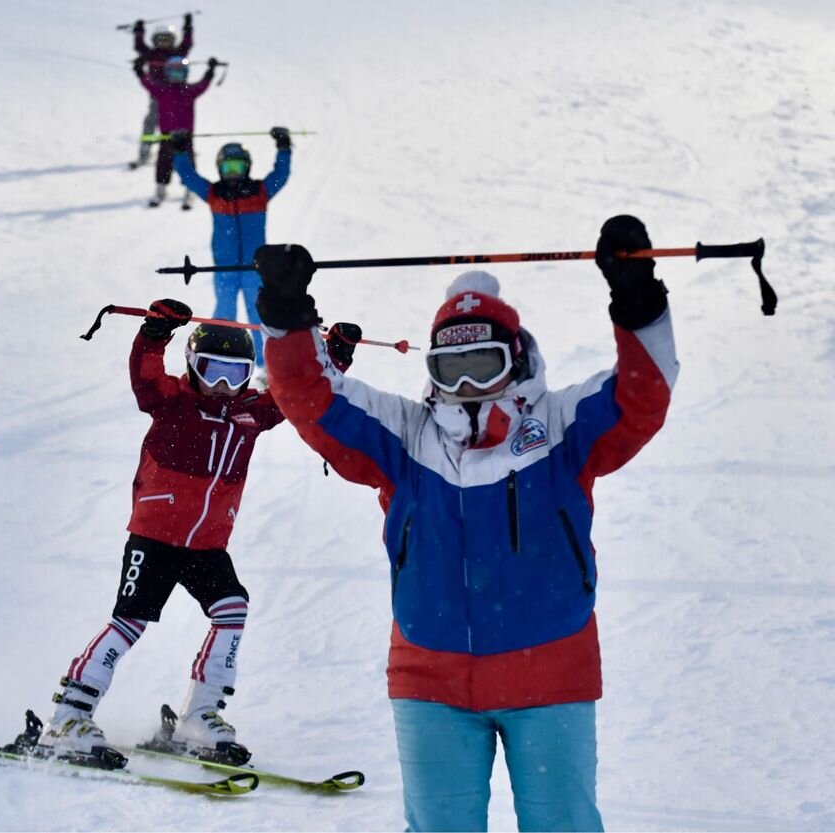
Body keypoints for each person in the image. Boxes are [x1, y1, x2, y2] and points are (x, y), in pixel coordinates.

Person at [251, 216, 678, 831]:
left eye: (485, 362)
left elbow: (643, 396)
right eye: (453, 368)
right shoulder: (406, 436)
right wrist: (288, 319)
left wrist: (637, 301)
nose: (470, 384)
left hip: (551, 671)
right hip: (431, 676)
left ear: (517, 357)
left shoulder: (559, 428)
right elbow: (313, 398)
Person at [22, 299, 359, 765]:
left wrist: (332, 355)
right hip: (156, 536)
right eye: (212, 370)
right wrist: (156, 334)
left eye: (235, 373)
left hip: (206, 545)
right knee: (130, 621)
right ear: (192, 366)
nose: (223, 384)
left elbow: (304, 393)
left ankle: (199, 717)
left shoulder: (251, 415)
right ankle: (68, 717)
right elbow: (145, 377)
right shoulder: (173, 403)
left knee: (232, 608)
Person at [172, 127, 292, 379]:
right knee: (225, 314)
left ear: (247, 167)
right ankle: (216, 358)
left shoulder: (260, 192)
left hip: (254, 269)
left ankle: (266, 368)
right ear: (220, 169)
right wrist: (180, 150)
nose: (234, 173)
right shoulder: (214, 193)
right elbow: (188, 176)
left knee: (258, 315)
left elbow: (281, 174)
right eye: (228, 168)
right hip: (224, 269)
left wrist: (283, 148)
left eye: (238, 167)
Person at [134, 54, 217, 208]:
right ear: (167, 73)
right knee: (163, 163)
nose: (176, 76)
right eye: (173, 73)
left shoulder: (190, 90)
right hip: (167, 135)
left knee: (188, 164)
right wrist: (139, 70)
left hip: (185, 137)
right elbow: (147, 83)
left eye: (180, 73)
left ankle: (189, 190)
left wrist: (210, 71)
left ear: (186, 74)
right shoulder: (161, 90)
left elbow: (203, 84)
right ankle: (161, 190)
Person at [129, 14, 194, 170]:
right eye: (160, 39)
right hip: (157, 96)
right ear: (155, 41)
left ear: (172, 40)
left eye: (167, 39)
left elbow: (187, 45)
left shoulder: (177, 54)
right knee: (151, 122)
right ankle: (144, 152)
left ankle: (180, 152)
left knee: (178, 124)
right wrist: (139, 31)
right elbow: (139, 47)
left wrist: (188, 27)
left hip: (177, 97)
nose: (164, 43)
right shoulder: (151, 54)